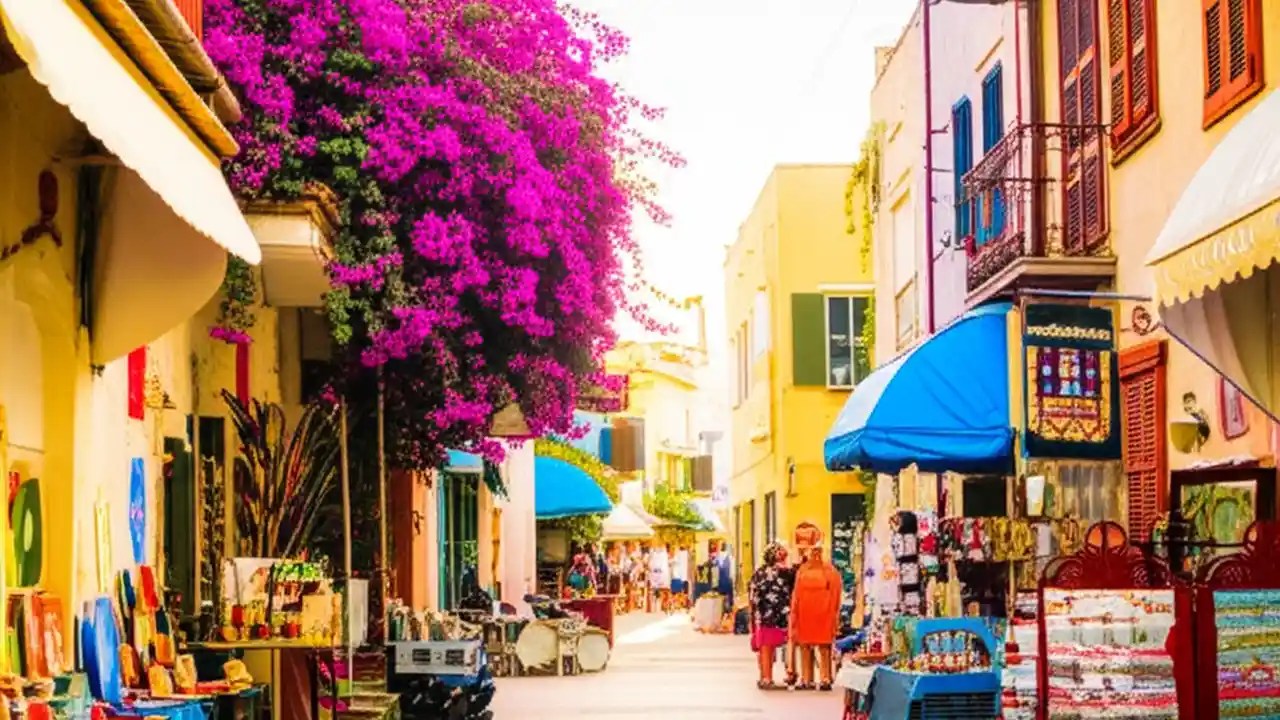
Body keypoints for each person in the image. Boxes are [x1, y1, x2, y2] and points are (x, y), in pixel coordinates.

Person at [788, 523, 842, 690]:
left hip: (823, 613)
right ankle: (807, 678)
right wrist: (794, 614)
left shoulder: (828, 571)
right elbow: (796, 595)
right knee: (805, 646)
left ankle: (824, 677)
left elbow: (836, 593)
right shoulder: (803, 571)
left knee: (824, 647)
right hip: (807, 613)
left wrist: (834, 614)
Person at [749, 542, 793, 689]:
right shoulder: (787, 572)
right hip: (784, 615)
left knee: (765, 647)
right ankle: (791, 674)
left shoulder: (759, 572)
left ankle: (766, 677)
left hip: (764, 615)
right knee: (788, 645)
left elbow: (753, 595)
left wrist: (753, 614)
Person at [648, 543, 671, 612]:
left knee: (664, 589)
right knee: (659, 589)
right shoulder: (653, 550)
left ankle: (664, 605)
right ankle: (659, 605)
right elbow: (650, 561)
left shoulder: (662, 551)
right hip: (656, 573)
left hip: (661, 573)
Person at [671, 544, 690, 609]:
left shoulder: (677, 555)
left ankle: (676, 604)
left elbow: (672, 562)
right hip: (685, 577)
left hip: (677, 577)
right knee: (685, 592)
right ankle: (684, 604)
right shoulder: (687, 554)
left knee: (675, 593)